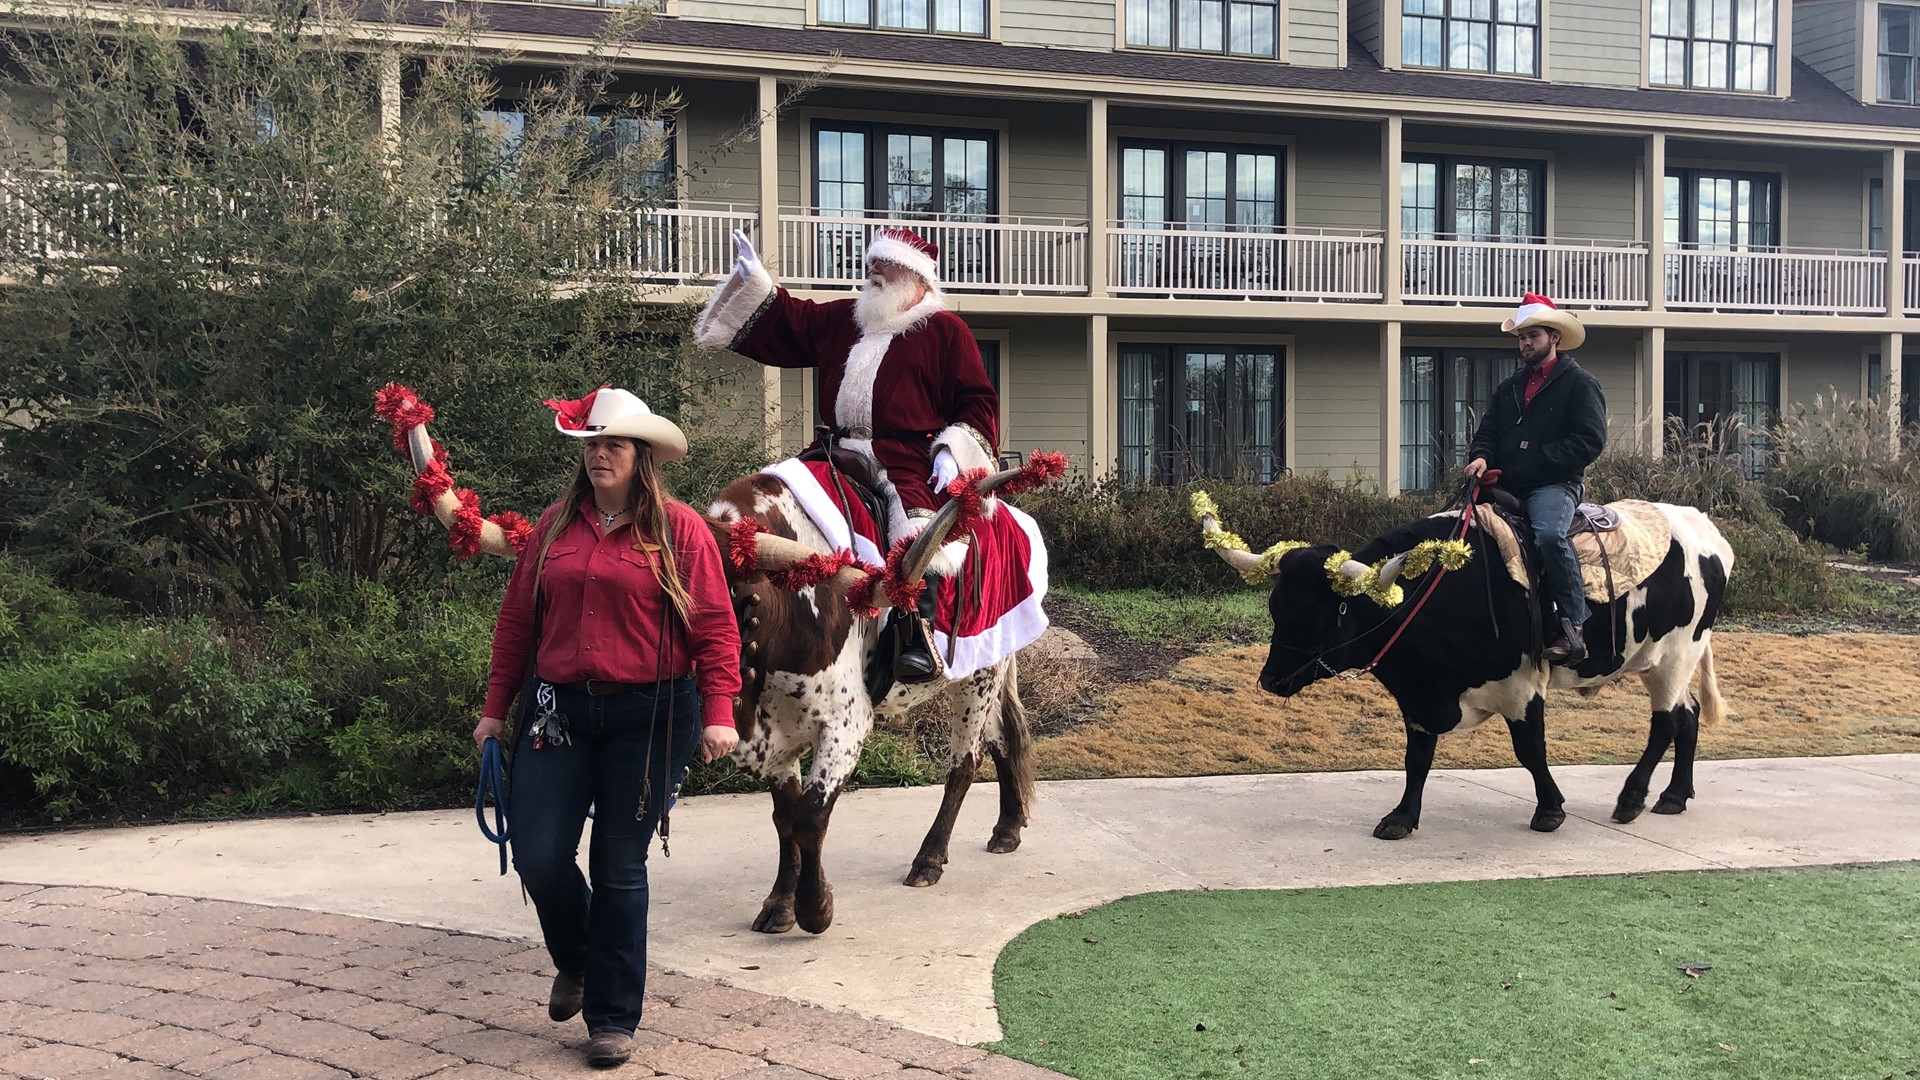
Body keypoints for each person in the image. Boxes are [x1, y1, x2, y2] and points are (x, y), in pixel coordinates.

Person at [475, 386, 742, 1068]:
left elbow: (713, 628)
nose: (598, 455)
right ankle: (581, 959)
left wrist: (719, 715)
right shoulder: (555, 529)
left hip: (650, 716)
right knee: (537, 854)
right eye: (590, 444)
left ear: (640, 456)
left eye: (612, 444)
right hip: (557, 711)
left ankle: (613, 1019)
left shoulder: (680, 531)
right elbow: (517, 627)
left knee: (619, 866)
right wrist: (493, 710)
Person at [693, 225, 1000, 683]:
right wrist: (757, 283)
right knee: (779, 489)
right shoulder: (847, 317)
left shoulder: (945, 331)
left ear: (915, 276)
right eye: (871, 263)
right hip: (834, 449)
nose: (872, 271)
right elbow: (793, 319)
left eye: (885, 265)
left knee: (916, 528)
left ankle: (915, 631)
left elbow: (978, 403)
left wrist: (952, 451)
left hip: (906, 455)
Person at [1464, 293, 1609, 667]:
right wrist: (1481, 456)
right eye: (1521, 337)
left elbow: (1590, 441)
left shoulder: (1579, 383)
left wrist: (1536, 460)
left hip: (1554, 485)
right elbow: (1488, 432)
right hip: (1506, 483)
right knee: (1465, 531)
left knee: (1548, 535)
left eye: (1533, 336)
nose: (1526, 343)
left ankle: (1573, 627)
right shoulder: (1509, 387)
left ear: (1554, 337)